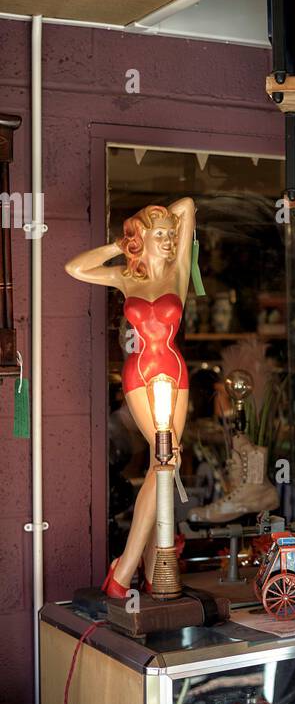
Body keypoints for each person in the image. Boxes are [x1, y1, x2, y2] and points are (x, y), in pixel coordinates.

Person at [66, 198, 195, 595]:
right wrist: (123, 244)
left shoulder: (178, 272)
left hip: (175, 372)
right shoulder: (126, 277)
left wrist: (161, 222)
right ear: (144, 238)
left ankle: (143, 567)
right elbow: (75, 268)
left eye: (171, 235)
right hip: (139, 373)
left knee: (165, 464)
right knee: (166, 459)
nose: (169, 241)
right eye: (161, 235)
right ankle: (127, 567)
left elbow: (187, 205)